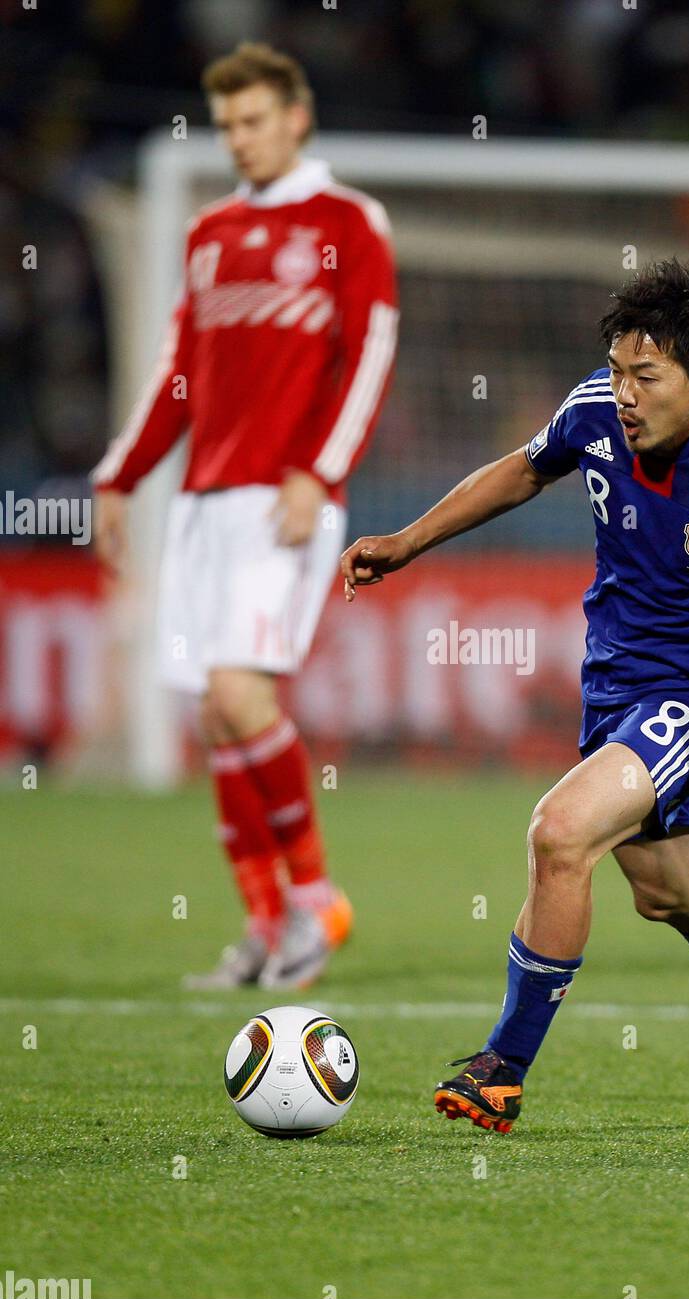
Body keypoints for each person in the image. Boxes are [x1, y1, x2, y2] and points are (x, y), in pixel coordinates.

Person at [340, 258, 689, 1132]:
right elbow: (523, 467)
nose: (625, 393)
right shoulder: (594, 411)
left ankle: (500, 1069)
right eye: (619, 371)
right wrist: (411, 541)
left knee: (561, 832)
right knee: (670, 895)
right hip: (617, 685)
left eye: (646, 377)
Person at [92, 42, 398, 990]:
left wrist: (319, 470)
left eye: (255, 120)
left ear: (296, 118)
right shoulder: (210, 231)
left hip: (284, 502)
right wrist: (119, 475)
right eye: (226, 125)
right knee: (217, 723)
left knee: (240, 696)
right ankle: (262, 925)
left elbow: (368, 354)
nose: (239, 138)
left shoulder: (347, 220)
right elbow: (173, 373)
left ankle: (313, 901)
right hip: (202, 505)